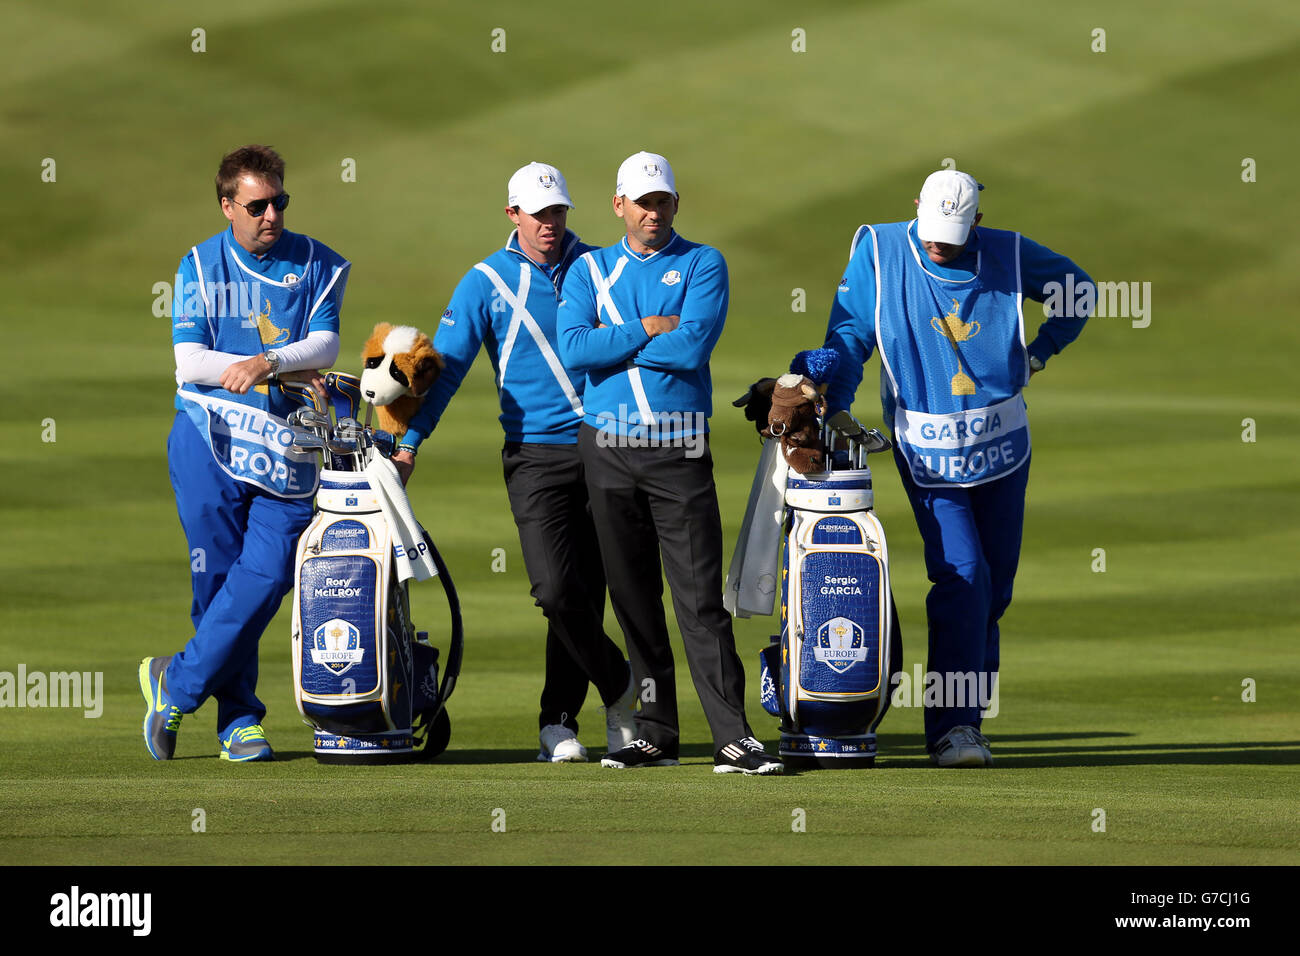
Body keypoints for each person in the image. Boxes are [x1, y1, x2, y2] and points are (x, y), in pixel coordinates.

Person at [821, 169, 1091, 766]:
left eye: (955, 232)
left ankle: (967, 719)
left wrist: (1039, 353)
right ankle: (953, 730)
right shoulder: (881, 250)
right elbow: (849, 335)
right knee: (963, 578)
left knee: (992, 591)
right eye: (933, 229)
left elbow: (1080, 289)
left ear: (978, 222)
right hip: (929, 454)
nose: (940, 243)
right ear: (915, 207)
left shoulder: (1007, 252)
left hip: (1003, 449)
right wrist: (834, 402)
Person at [399, 162, 637, 763]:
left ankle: (558, 723)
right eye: (538, 214)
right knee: (556, 589)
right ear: (513, 216)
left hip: (608, 444)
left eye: (558, 213)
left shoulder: (599, 265)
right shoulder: (484, 281)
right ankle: (622, 685)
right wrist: (409, 442)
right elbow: (445, 371)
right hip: (534, 453)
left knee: (590, 589)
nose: (550, 224)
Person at [557, 151, 782, 775]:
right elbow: (574, 348)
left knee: (699, 600)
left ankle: (732, 735)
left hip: (678, 448)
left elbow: (692, 348)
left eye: (663, 201)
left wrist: (621, 338)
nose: (653, 212)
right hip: (605, 448)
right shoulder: (588, 269)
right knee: (632, 598)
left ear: (675, 204)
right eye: (642, 201)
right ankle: (656, 731)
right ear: (618, 205)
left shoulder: (703, 262)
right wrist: (646, 328)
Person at [141, 144, 350, 762]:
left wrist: (270, 361)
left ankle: (173, 684)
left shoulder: (316, 262)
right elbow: (189, 359)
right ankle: (239, 720)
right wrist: (260, 368)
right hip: (208, 437)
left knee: (268, 577)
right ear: (227, 206)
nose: (271, 216)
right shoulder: (200, 265)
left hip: (288, 447)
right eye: (257, 205)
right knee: (216, 579)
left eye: (279, 202)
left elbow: (326, 343)